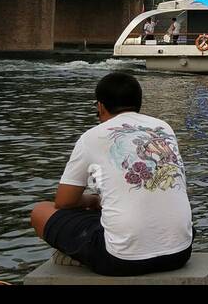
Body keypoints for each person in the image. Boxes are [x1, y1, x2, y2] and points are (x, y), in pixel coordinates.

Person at [29, 72, 194, 276]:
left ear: (100, 106)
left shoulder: (91, 137)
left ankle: (79, 258)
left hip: (121, 260)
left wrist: (91, 200)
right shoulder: (164, 128)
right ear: (138, 103)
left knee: (40, 211)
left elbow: (63, 201)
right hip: (180, 253)